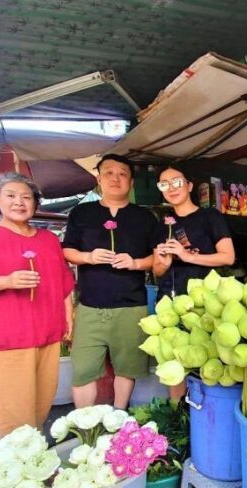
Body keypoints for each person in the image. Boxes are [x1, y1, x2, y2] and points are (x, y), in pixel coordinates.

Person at [0, 172, 74, 438]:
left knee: (41, 407)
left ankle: (34, 465)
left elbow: (64, 283)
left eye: (26, 197)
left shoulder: (48, 240)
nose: (19, 202)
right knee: (14, 414)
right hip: (8, 337)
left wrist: (69, 319)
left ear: (35, 203)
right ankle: (17, 473)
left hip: (49, 333)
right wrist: (6, 280)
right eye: (11, 196)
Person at [63, 154, 158, 410]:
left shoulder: (145, 217)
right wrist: (88, 257)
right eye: (109, 173)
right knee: (83, 369)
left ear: (131, 182)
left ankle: (118, 417)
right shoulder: (82, 212)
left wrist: (135, 263)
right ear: (98, 179)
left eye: (123, 174)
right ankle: (86, 426)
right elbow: (66, 250)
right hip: (90, 305)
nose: (116, 178)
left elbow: (158, 258)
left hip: (131, 305)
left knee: (127, 368)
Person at [153, 165, 235, 399]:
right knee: (174, 364)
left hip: (204, 303)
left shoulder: (210, 217)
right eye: (164, 184)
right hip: (170, 303)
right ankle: (178, 419)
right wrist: (164, 262)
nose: (171, 188)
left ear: (189, 186)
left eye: (177, 182)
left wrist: (188, 256)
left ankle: (205, 417)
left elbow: (228, 256)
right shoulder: (163, 226)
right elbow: (157, 270)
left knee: (207, 363)